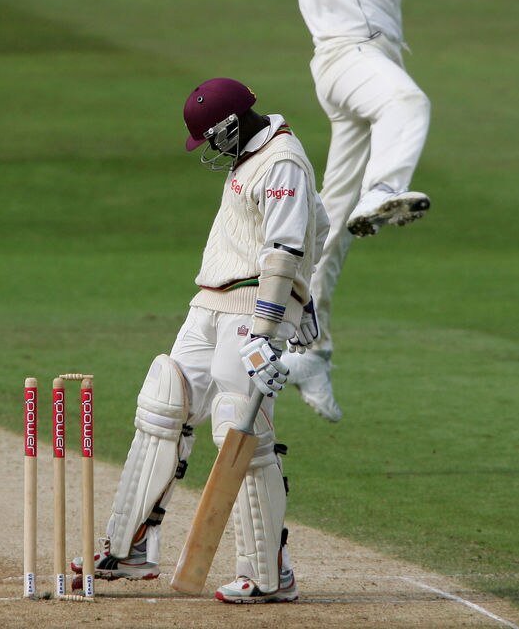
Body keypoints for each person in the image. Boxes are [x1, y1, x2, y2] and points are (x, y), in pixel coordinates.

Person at [227, 0, 519, 422]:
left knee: (329, 224)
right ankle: (387, 188)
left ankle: (310, 352)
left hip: (377, 62)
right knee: (407, 99)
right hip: (347, 61)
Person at [71, 77, 329, 603]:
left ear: (232, 124)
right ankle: (131, 545)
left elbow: (284, 248)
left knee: (240, 426)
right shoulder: (254, 156)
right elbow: (318, 223)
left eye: (212, 137)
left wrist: (269, 327)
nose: (211, 149)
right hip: (211, 300)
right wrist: (306, 306)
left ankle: (268, 573)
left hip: (252, 306)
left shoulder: (282, 161)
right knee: (164, 405)